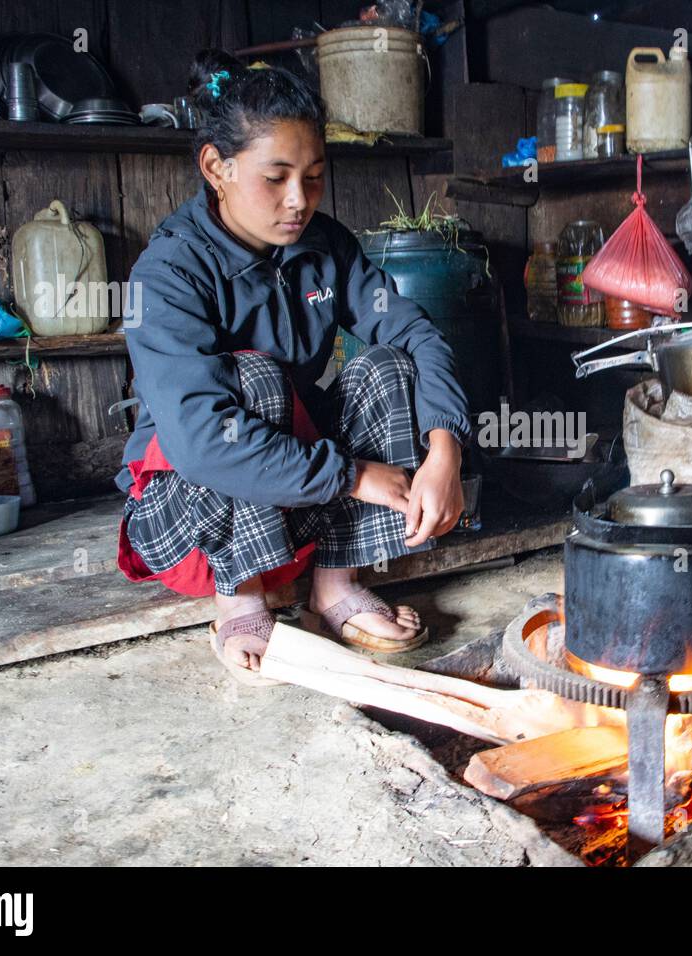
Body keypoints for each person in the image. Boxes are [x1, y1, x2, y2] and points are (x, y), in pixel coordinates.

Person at [114, 50, 469, 685]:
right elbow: (199, 444)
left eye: (313, 176)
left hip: (297, 503)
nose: (298, 200)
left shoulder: (325, 246)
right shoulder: (167, 274)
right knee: (253, 375)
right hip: (193, 516)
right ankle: (241, 597)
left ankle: (335, 585)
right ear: (216, 168)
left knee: (386, 364)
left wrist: (445, 449)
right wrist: (354, 473)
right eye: (275, 178)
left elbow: (415, 332)